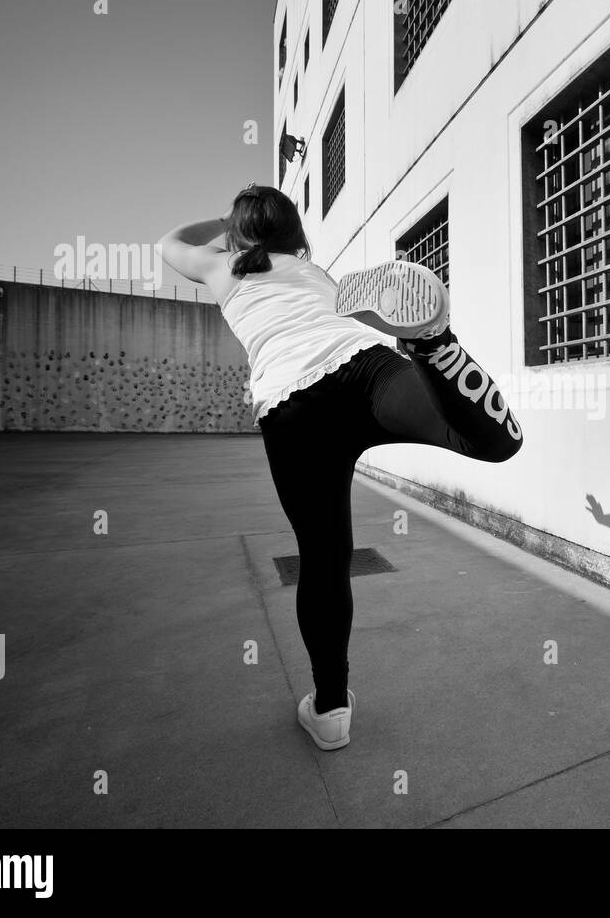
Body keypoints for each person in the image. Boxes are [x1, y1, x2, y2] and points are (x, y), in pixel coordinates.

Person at [159, 184, 523, 750]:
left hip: (291, 408)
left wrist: (231, 227)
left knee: (324, 560)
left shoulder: (222, 266)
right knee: (481, 439)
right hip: (363, 366)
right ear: (296, 235)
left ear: (240, 234)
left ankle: (330, 710)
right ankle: (434, 347)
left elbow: (169, 242)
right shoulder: (318, 274)